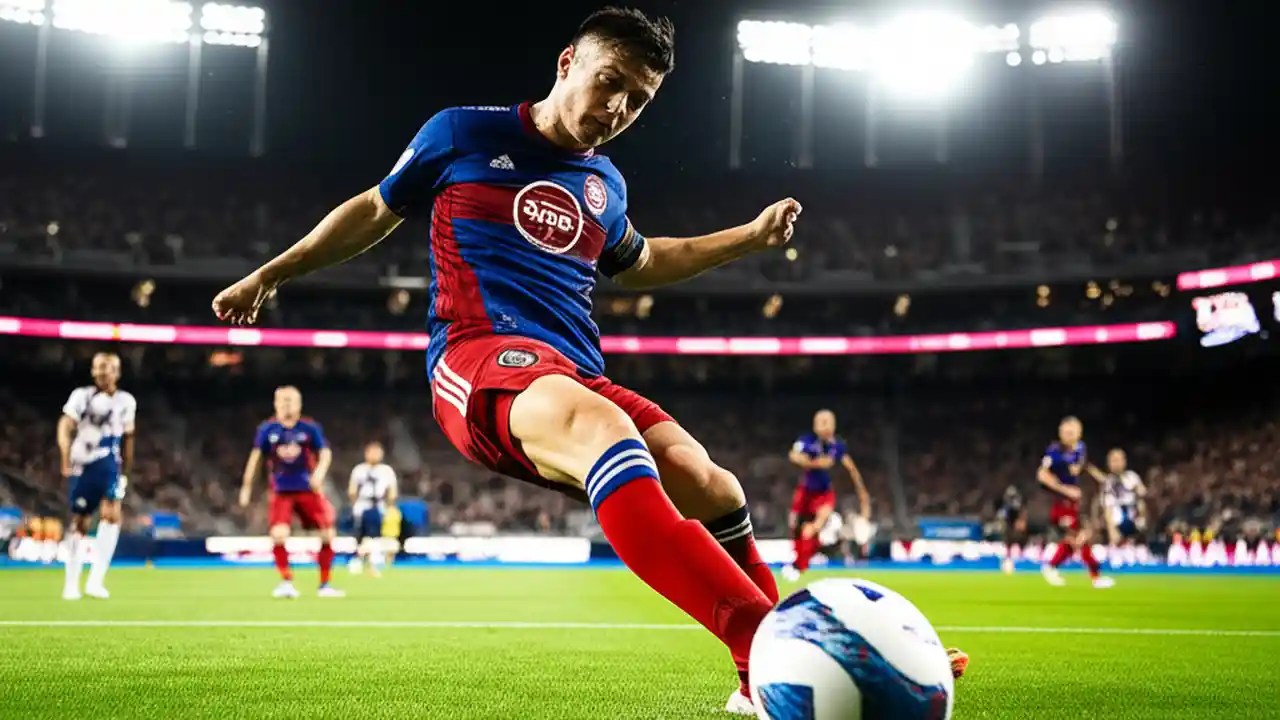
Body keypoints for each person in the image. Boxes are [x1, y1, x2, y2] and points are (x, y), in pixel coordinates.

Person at [212, 7, 962, 709]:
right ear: (568, 63)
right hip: (479, 361)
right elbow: (375, 209)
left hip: (575, 371)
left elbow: (643, 262)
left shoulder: (604, 184)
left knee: (712, 484)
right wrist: (269, 274)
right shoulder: (459, 134)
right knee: (606, 430)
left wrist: (750, 237)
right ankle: (786, 650)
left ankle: (755, 677)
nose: (617, 110)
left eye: (636, 102)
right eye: (609, 84)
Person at [239, 386, 344, 598]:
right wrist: (246, 487)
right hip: (281, 491)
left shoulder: (309, 428)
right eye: (282, 400)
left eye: (291, 400)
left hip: (307, 489)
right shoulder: (267, 430)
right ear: (276, 403)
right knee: (278, 534)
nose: (287, 404)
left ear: (299, 404)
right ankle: (286, 581)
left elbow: (325, 454)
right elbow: (256, 459)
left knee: (327, 533)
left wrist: (319, 475)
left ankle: (324, 584)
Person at [57, 352, 135, 600]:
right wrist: (65, 456)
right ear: (92, 371)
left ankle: (96, 581)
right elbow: (65, 425)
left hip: (111, 464)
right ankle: (71, 583)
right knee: (81, 521)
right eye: (99, 367)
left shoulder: (126, 401)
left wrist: (126, 472)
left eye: (109, 368)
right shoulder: (82, 396)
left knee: (112, 517)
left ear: (117, 372)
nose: (104, 372)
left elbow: (128, 437)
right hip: (85, 464)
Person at [782, 410, 869, 582]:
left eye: (828, 421)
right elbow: (793, 455)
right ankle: (808, 555)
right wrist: (812, 463)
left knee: (812, 527)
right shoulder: (806, 441)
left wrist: (862, 491)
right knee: (795, 526)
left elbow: (849, 468)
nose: (825, 425)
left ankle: (801, 565)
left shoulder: (837, 446)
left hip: (824, 495)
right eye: (821, 421)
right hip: (805, 492)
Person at [1037, 417, 1114, 589]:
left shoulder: (1080, 448)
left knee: (1077, 538)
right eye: (1065, 432)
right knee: (1080, 536)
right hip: (1058, 500)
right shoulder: (1054, 452)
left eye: (1072, 432)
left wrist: (1101, 478)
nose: (1068, 435)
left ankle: (1052, 567)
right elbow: (1041, 475)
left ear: (1079, 433)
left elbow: (1082, 466)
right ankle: (1095, 576)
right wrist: (1064, 489)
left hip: (1074, 501)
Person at [1088, 448, 1147, 567]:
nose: (1116, 463)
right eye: (1113, 460)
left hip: (1133, 522)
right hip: (1117, 522)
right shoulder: (1108, 483)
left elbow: (1142, 494)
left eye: (1119, 460)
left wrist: (1142, 515)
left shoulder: (1132, 477)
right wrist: (1112, 531)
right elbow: (1107, 509)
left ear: (1124, 461)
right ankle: (1114, 551)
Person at [348, 441, 398, 576]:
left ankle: (368, 563)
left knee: (374, 536)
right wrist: (355, 504)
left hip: (378, 505)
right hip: (362, 505)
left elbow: (392, 491)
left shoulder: (386, 471)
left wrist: (388, 506)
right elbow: (352, 490)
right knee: (360, 535)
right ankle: (361, 561)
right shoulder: (359, 469)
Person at [997, 485, 1026, 574]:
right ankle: (1008, 561)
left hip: (1013, 525)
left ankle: (1016, 559)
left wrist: (1021, 521)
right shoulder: (1006, 505)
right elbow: (1002, 515)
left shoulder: (1016, 505)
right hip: (1009, 525)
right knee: (1008, 542)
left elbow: (1021, 513)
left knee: (1016, 540)